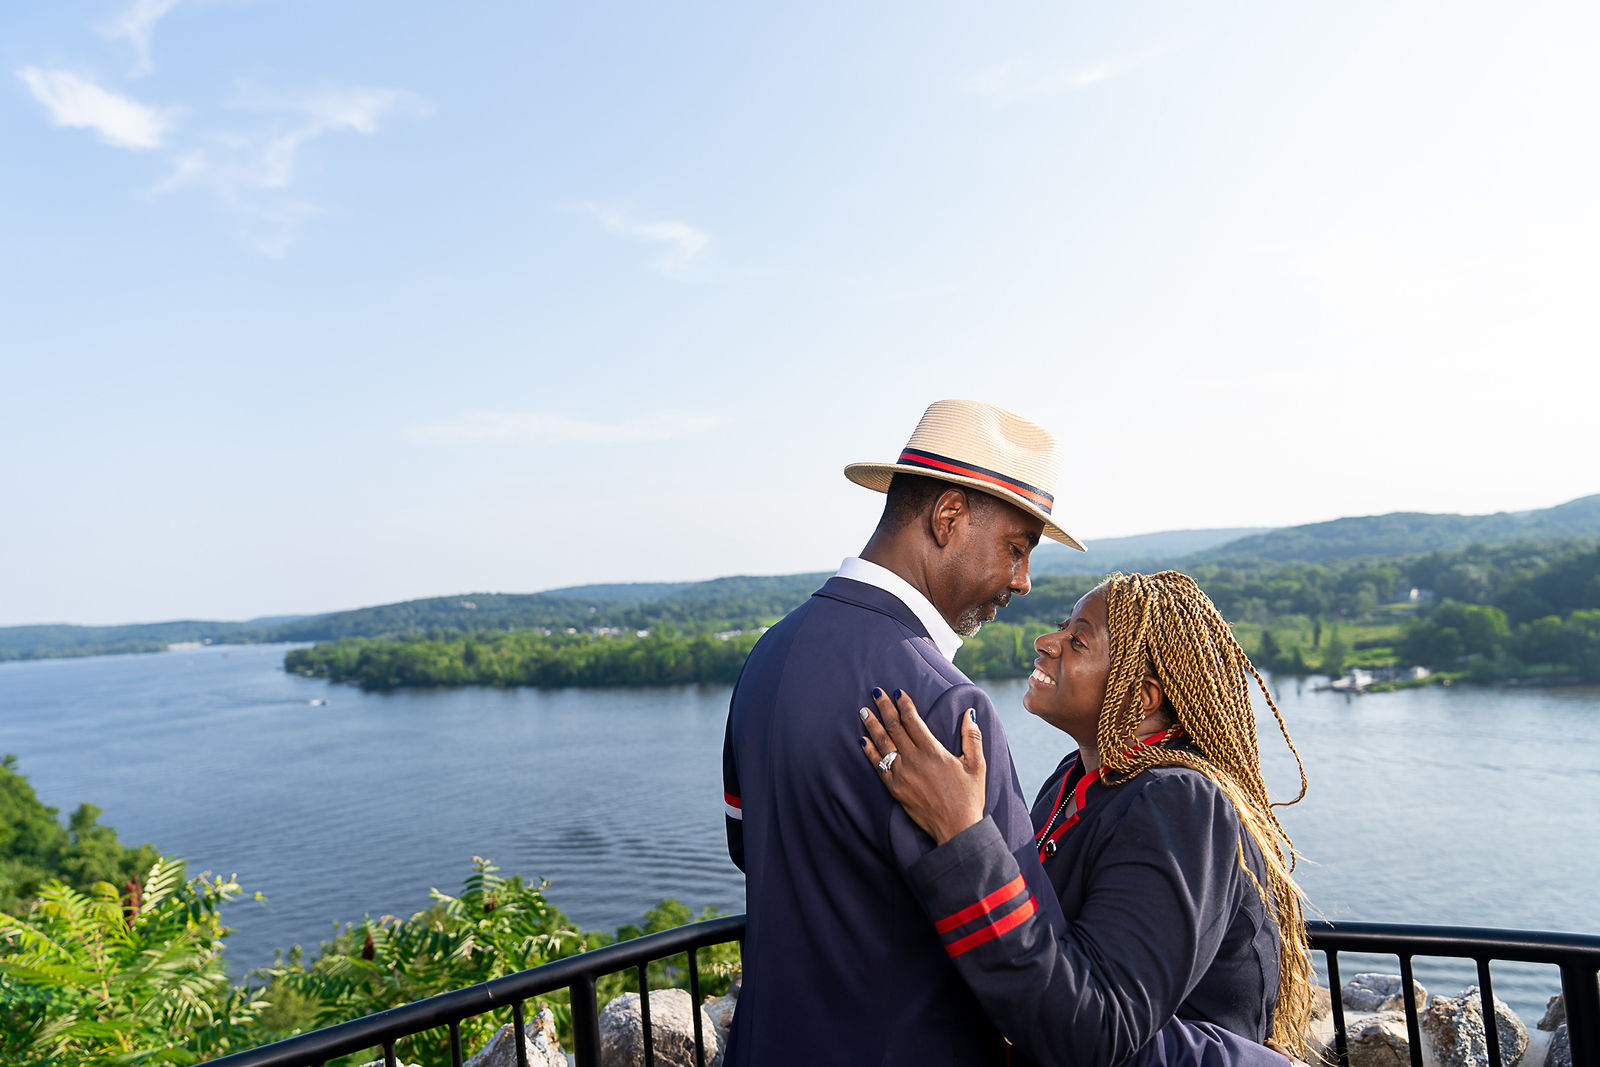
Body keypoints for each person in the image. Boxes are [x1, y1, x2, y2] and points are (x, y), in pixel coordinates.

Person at [722, 400, 1296, 1067]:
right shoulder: (947, 707)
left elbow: (751, 846)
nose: (1023, 584)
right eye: (1016, 548)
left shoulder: (765, 656)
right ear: (949, 517)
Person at [857, 570, 1316, 1066]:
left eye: (1078, 641)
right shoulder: (1072, 782)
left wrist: (963, 831)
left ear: (1141, 697)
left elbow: (1098, 1027)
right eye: (1063, 626)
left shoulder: (1179, 802)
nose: (1046, 642)